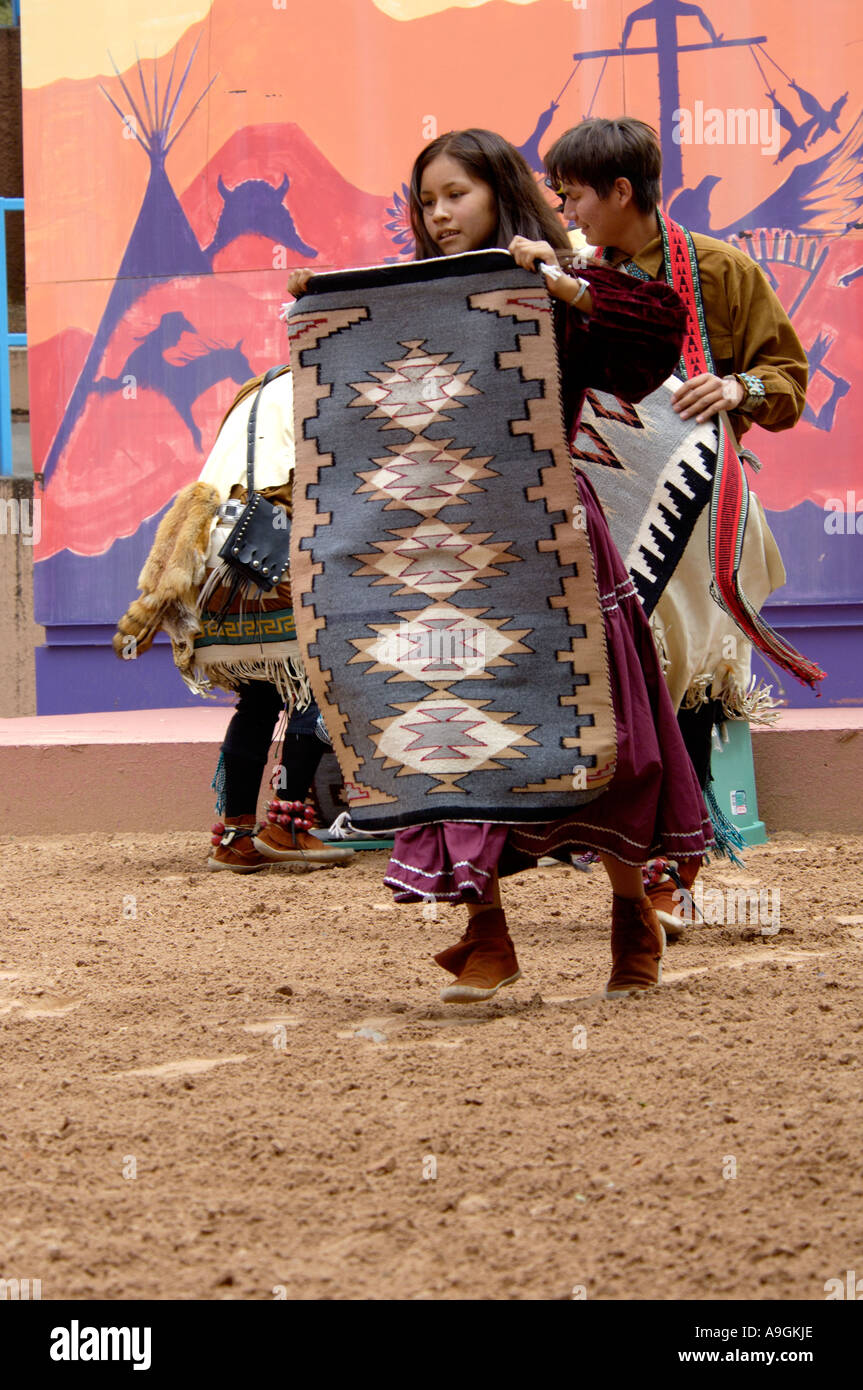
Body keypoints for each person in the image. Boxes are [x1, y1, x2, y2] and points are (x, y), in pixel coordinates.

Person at [290, 128, 712, 1002]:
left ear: (500, 195)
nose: (438, 215)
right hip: (434, 560)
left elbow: (653, 341)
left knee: (603, 736)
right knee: (440, 731)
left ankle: (631, 913)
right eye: (426, 201)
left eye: (455, 195)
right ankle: (485, 934)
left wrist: (555, 280)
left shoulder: (559, 284)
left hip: (552, 548)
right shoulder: (410, 302)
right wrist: (322, 311)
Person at [542, 117, 814, 934]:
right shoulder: (568, 273)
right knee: (610, 678)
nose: (566, 211)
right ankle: (613, 844)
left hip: (694, 513)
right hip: (593, 507)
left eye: (575, 195)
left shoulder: (720, 270)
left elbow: (789, 383)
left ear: (620, 191)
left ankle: (674, 869)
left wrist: (737, 392)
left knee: (686, 679)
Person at [113, 368, 354, 873]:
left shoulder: (253, 392)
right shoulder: (321, 381)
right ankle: (286, 827)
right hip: (276, 548)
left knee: (261, 696)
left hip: (209, 556)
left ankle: (237, 836)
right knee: (317, 686)